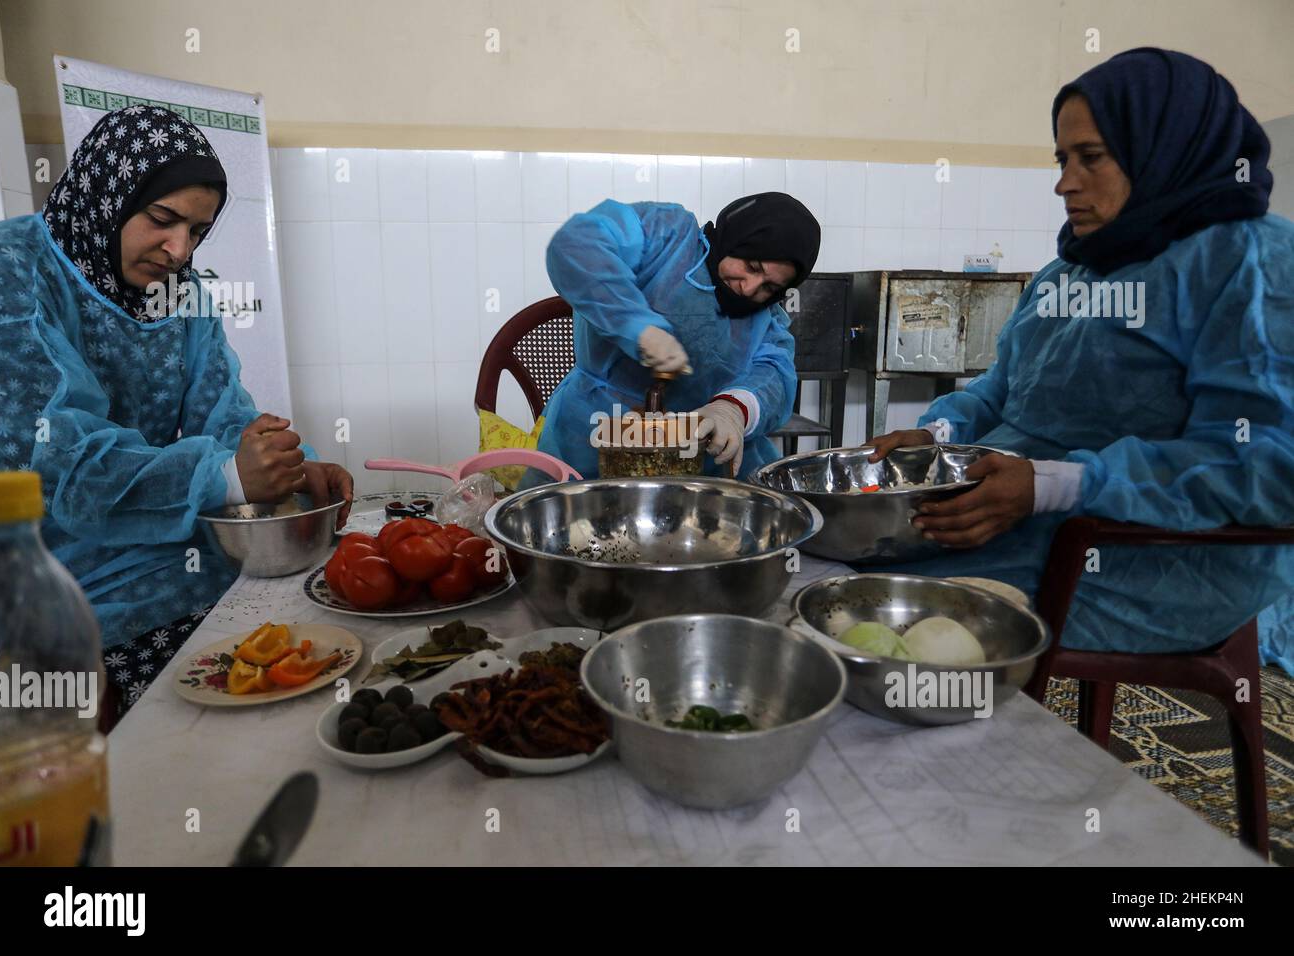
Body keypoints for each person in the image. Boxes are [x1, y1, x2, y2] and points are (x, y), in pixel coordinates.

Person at [866, 48, 1294, 664]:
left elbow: (1264, 467)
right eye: (1062, 159)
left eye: (1090, 157)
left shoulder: (1248, 265)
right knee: (823, 555)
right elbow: (1005, 388)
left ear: (1164, 148)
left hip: (1154, 556)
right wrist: (937, 432)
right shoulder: (1074, 269)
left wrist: (1056, 487)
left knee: (890, 613)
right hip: (1039, 522)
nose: (1065, 181)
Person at [0, 105, 353, 717]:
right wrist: (228, 477)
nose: (178, 250)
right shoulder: (13, 275)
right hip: (44, 569)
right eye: (163, 219)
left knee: (307, 599)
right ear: (107, 193)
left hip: (152, 535)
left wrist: (292, 468)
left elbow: (224, 414)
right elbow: (62, 468)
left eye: (196, 231)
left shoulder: (178, 293)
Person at [533, 192, 821, 479]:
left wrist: (733, 408)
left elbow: (774, 375)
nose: (749, 289)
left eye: (769, 287)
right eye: (751, 267)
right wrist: (637, 327)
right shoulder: (666, 237)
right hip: (593, 437)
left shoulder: (765, 318)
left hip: (702, 460)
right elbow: (578, 244)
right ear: (734, 239)